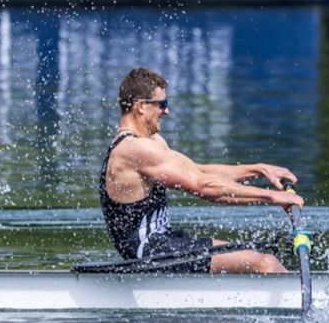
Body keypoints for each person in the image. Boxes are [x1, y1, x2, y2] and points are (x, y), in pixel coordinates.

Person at [100, 68, 304, 273]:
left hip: (166, 243)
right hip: (150, 252)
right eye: (162, 104)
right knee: (264, 263)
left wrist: (260, 170)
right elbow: (203, 187)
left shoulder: (151, 142)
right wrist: (272, 197)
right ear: (141, 106)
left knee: (264, 251)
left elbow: (199, 172)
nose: (167, 111)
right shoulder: (135, 149)